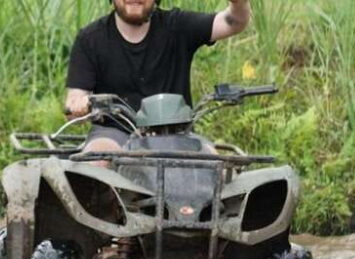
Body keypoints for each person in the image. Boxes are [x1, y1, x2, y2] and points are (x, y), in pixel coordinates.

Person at [65, 0, 252, 155]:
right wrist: (79, 105)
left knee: (212, 164)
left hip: (176, 135)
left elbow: (234, 21)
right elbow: (74, 100)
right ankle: (104, 199)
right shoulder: (90, 39)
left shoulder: (177, 26)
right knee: (99, 156)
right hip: (114, 133)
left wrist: (239, 2)